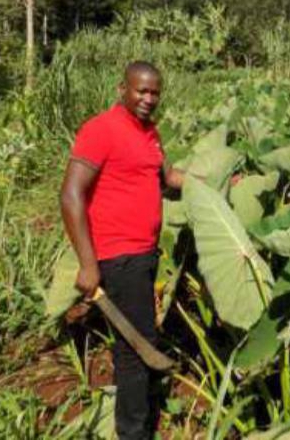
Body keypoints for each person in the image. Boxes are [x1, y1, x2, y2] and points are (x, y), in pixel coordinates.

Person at [60, 61, 183, 439]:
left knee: (140, 343)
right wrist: (87, 264)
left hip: (144, 254)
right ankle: (133, 433)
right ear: (123, 89)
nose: (148, 99)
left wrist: (216, 182)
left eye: (154, 92)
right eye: (140, 91)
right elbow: (70, 195)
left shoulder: (150, 133)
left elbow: (167, 179)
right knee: (136, 352)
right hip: (118, 256)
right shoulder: (101, 130)